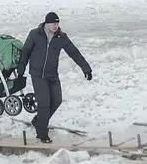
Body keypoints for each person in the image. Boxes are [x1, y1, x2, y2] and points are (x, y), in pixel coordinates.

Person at [17, 12, 92, 143]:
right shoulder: (35, 34)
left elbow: (74, 52)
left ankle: (38, 121)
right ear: (47, 23)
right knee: (44, 103)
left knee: (57, 100)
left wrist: (86, 68)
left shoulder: (61, 37)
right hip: (37, 74)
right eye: (54, 23)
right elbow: (26, 51)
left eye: (58, 23)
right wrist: (21, 69)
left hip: (52, 74)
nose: (56, 26)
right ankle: (42, 133)